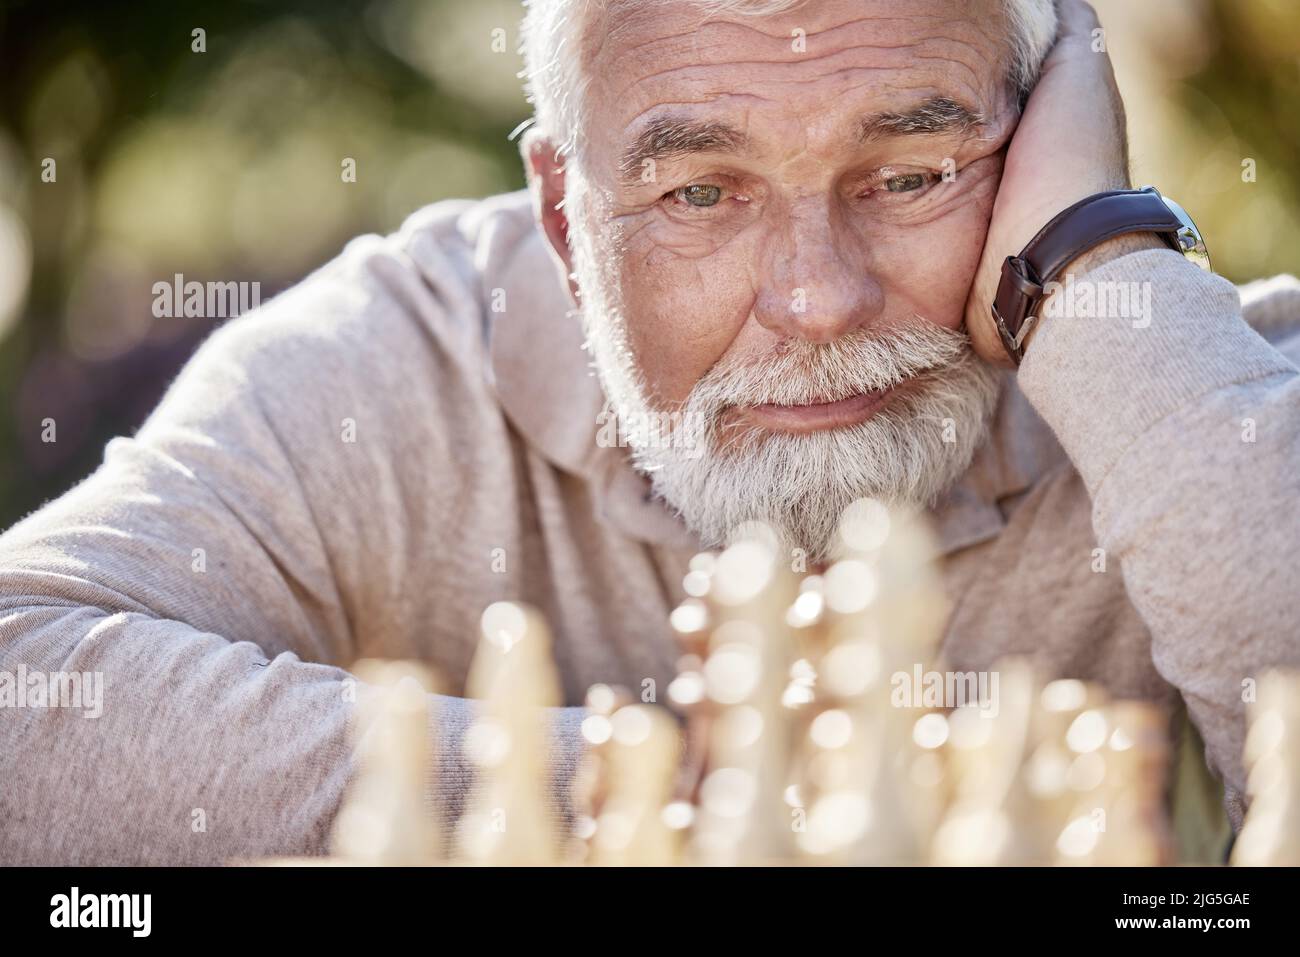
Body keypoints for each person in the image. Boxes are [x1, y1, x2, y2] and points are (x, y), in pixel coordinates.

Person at [1, 0, 1297, 864]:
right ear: (565, 219)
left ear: (1036, 163)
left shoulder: (1203, 391)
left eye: (910, 175)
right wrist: (706, 803)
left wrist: (1099, 264)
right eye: (700, 192)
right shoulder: (396, 359)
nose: (816, 297)